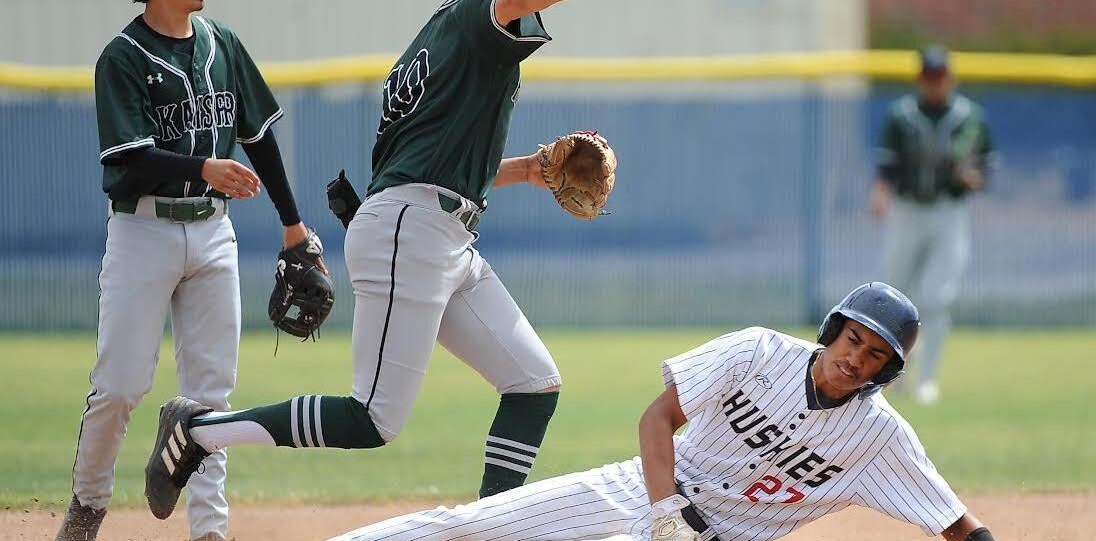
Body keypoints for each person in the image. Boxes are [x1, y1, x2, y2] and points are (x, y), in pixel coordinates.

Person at [141, 0, 694, 522]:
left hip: (434, 231)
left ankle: (492, 527)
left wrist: (528, 169)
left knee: (534, 384)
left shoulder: (438, 39)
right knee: (372, 419)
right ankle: (199, 430)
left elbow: (426, 165)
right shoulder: (475, 11)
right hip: (415, 231)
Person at [323, 282, 997, 541]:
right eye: (853, 340)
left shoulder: (878, 437)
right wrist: (665, 510)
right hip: (641, 489)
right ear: (833, 331)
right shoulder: (758, 351)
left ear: (886, 372)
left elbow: (956, 523)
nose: (857, 359)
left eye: (875, 355)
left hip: (715, 539)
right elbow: (657, 419)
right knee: (472, 527)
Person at [55, 0, 320, 540]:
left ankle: (209, 530)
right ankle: (87, 509)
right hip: (142, 232)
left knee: (211, 396)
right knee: (119, 386)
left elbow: (258, 140)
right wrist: (202, 167)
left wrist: (293, 224)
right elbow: (130, 159)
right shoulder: (123, 57)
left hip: (213, 231)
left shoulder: (223, 44)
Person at [869, 46, 996, 405]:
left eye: (940, 76)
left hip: (948, 212)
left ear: (950, 78)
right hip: (907, 209)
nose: (935, 83)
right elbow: (887, 166)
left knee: (937, 298)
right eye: (929, 76)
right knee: (893, 296)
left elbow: (985, 168)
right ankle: (892, 375)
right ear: (919, 79)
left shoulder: (969, 117)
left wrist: (972, 177)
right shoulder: (902, 114)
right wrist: (880, 194)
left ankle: (927, 379)